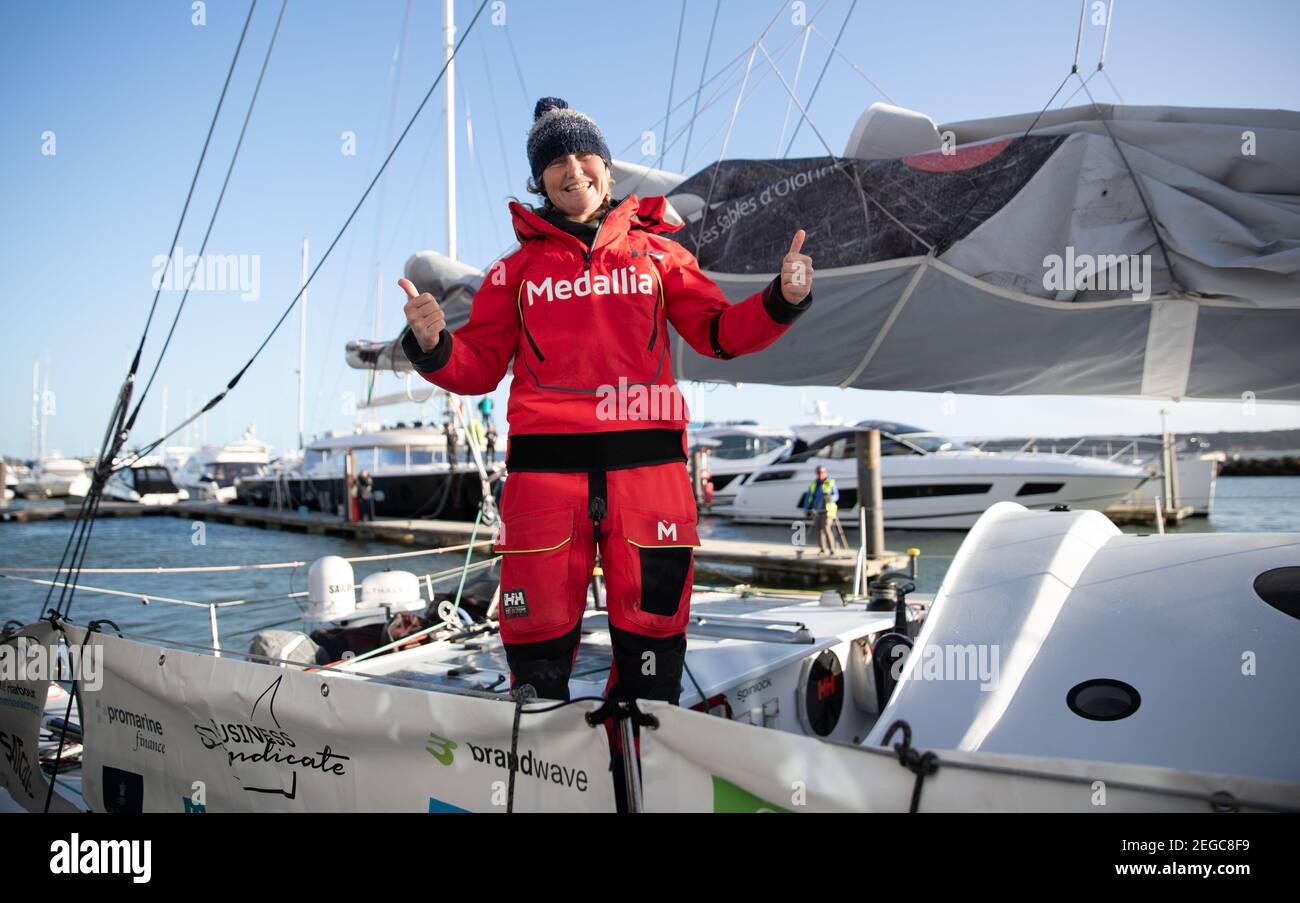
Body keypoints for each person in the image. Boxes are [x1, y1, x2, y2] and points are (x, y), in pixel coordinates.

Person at [399, 96, 814, 710]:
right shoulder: (512, 273)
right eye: (555, 161)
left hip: (649, 475)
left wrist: (781, 298)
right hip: (546, 480)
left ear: (607, 167)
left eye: (584, 155)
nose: (573, 170)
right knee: (537, 670)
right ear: (539, 180)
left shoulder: (660, 255)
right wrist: (431, 344)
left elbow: (720, 333)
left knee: (651, 668)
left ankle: (645, 758)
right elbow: (479, 368)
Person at [802, 466, 838, 556]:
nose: (820, 474)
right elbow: (808, 497)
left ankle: (832, 550)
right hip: (816, 512)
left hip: (827, 511)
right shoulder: (814, 484)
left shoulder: (829, 482)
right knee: (819, 530)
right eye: (819, 472)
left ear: (825, 472)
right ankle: (822, 549)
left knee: (826, 529)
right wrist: (806, 509)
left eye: (822, 472)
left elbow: (836, 495)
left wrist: (830, 498)